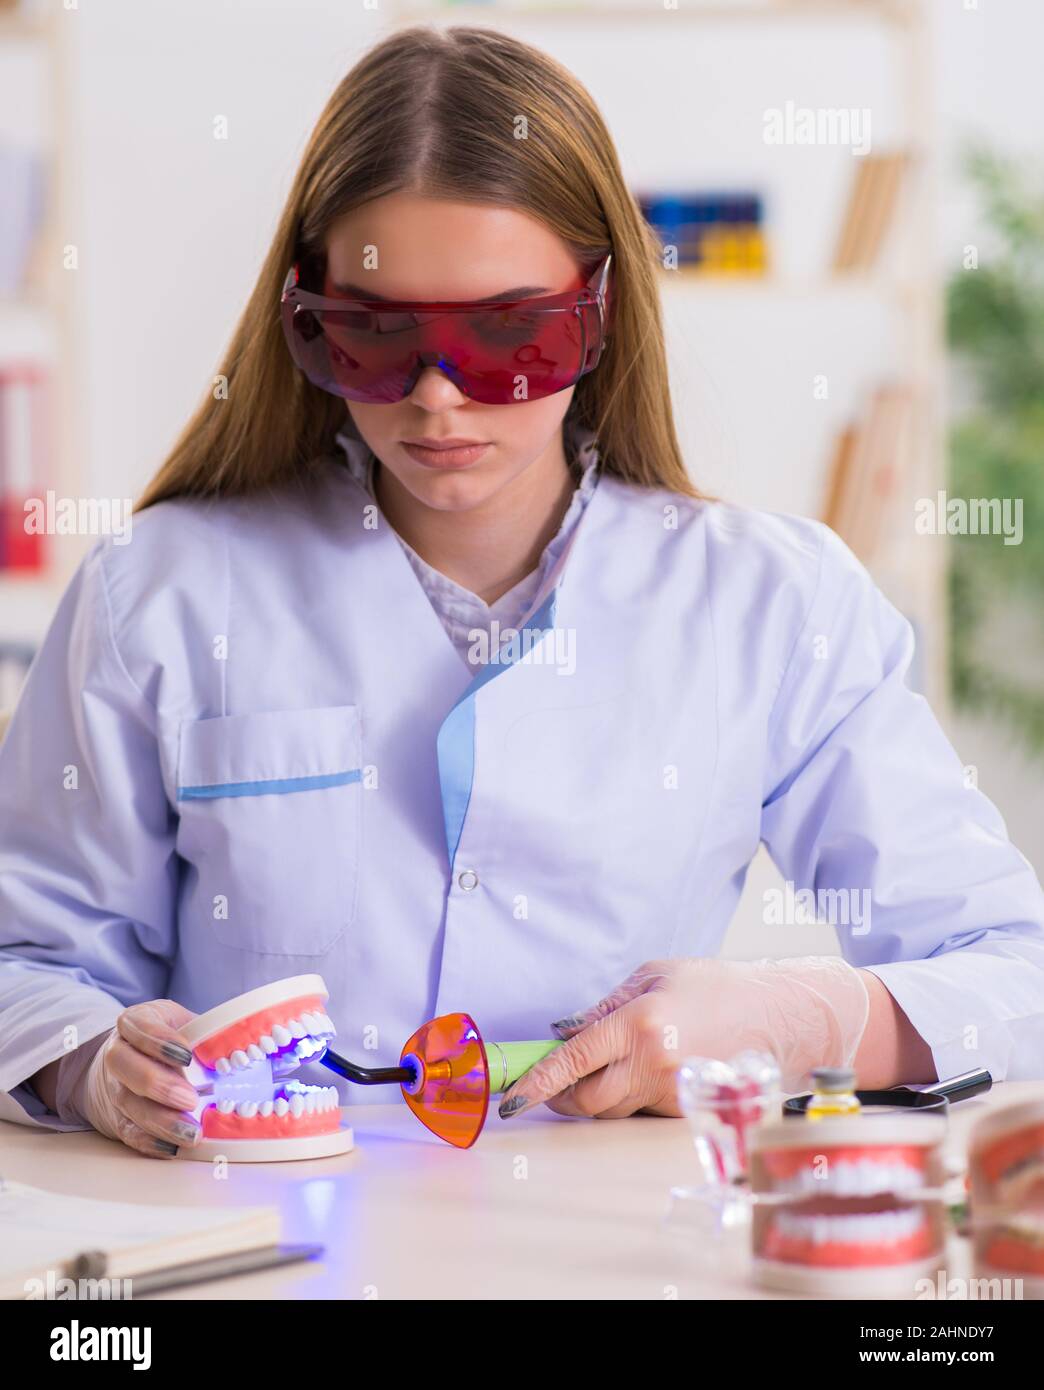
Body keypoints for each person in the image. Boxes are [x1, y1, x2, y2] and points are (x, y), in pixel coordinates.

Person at [1, 26, 1041, 1159]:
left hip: (620, 1262)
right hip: (261, 1246)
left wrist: (800, 1018)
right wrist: (89, 1065)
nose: (439, 399)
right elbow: (26, 960)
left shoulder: (774, 604)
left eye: (508, 334)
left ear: (597, 313)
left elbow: (1011, 973)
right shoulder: (158, 594)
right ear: (306, 314)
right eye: (374, 335)